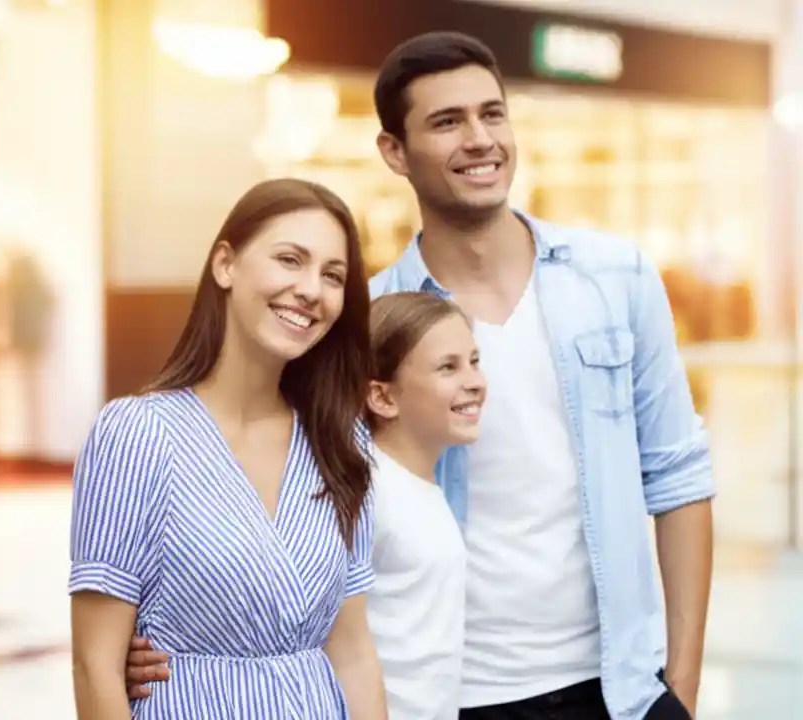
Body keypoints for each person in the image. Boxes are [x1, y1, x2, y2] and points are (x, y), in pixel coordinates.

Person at [127, 32, 713, 720]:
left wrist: (682, 687)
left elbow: (679, 479)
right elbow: (290, 502)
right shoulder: (363, 323)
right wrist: (179, 635)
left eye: (492, 114)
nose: (480, 139)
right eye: (447, 122)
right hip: (447, 696)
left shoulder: (615, 278)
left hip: (620, 690)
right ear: (394, 153)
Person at [69, 178, 387, 719]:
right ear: (226, 264)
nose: (312, 289)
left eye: (332, 276)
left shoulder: (341, 439)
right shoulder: (135, 434)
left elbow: (353, 651)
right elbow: (94, 665)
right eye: (290, 259)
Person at [363, 291, 483, 720]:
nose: (474, 381)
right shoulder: (369, 493)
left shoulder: (422, 486)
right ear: (383, 397)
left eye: (474, 360)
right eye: (448, 367)